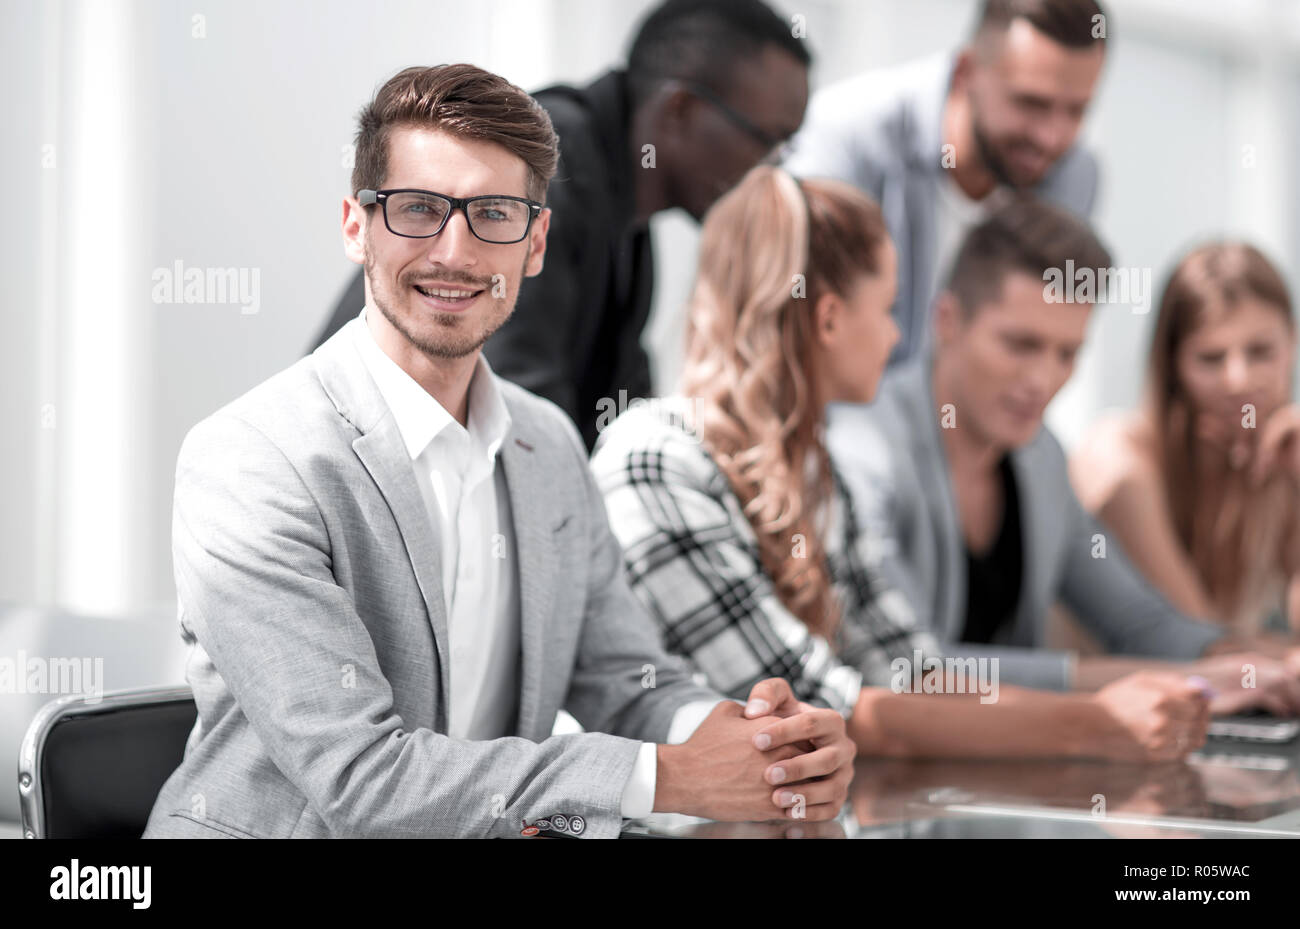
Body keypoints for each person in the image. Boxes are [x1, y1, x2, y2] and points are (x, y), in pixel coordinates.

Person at [143, 65, 855, 839]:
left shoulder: (546, 441)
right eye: (418, 209)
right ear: (356, 225)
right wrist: (669, 776)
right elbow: (360, 778)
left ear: (536, 241)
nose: (456, 251)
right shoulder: (252, 459)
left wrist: (759, 743)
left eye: (494, 214)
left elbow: (622, 679)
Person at [591, 165, 1214, 762]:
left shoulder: (819, 475)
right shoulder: (658, 459)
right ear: (830, 318)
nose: (895, 339)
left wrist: (1127, 703)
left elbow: (916, 674)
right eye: (887, 309)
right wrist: (1096, 723)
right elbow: (808, 712)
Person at [825, 196, 1300, 714]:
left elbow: (1137, 620)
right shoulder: (864, 453)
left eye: (1067, 353)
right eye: (1021, 345)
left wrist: (1249, 666)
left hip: (1006, 770)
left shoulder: (1040, 456)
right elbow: (910, 667)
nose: (1042, 381)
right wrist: (1160, 678)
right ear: (948, 321)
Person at [312, 0, 811, 450]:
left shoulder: (626, 215)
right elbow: (516, 409)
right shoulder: (558, 169)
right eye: (768, 139)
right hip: (358, 476)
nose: (774, 169)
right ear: (679, 109)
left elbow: (620, 423)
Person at [783, 0, 1105, 366]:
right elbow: (793, 337)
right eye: (1031, 103)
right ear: (966, 72)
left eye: (1077, 110)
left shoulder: (1074, 177)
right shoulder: (848, 140)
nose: (1051, 137)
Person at [1072, 243, 1300, 637]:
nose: (1238, 381)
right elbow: (1205, 645)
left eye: (1261, 352)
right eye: (1211, 359)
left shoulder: (1282, 453)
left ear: (1292, 345)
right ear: (1172, 364)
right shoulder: (1120, 462)